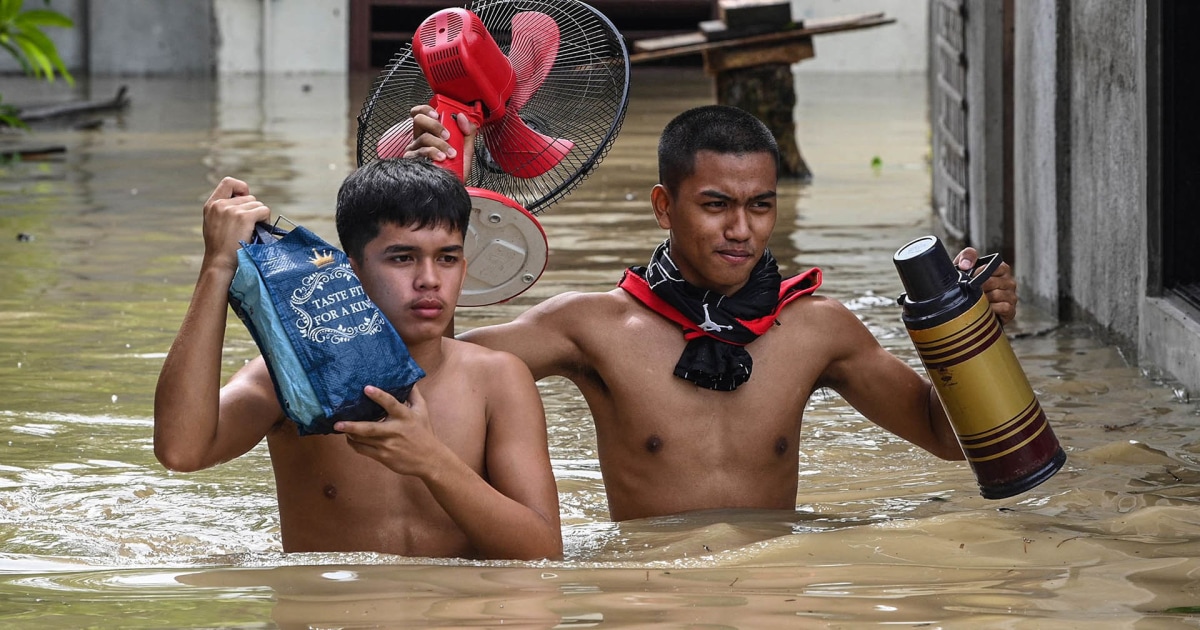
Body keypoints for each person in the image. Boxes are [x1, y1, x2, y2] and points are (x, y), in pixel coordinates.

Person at [405, 104, 1019, 522]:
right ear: (664, 207)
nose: (740, 230)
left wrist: (975, 331)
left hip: (771, 595)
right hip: (653, 594)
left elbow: (947, 440)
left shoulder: (816, 327)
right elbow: (436, 376)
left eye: (760, 206)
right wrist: (436, 203)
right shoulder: (590, 327)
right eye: (716, 204)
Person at [153, 158, 562, 560]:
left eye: (447, 259)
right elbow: (182, 452)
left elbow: (543, 553)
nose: (430, 279)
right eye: (402, 258)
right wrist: (218, 265)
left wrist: (432, 462)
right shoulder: (294, 378)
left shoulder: (497, 379)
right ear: (350, 272)